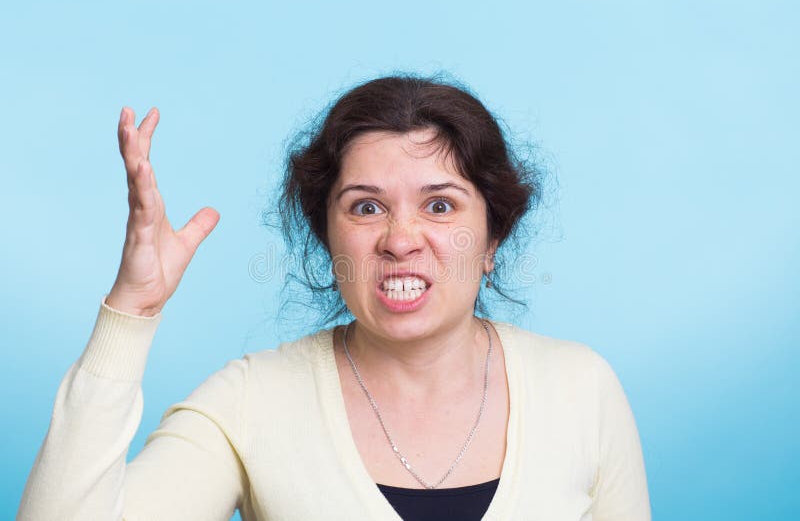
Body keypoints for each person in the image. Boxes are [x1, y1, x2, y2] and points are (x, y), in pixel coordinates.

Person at [18, 75, 651, 520]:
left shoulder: (582, 389)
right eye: (367, 207)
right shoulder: (249, 403)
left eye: (439, 205)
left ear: (493, 237)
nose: (401, 239)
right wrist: (131, 313)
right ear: (328, 237)